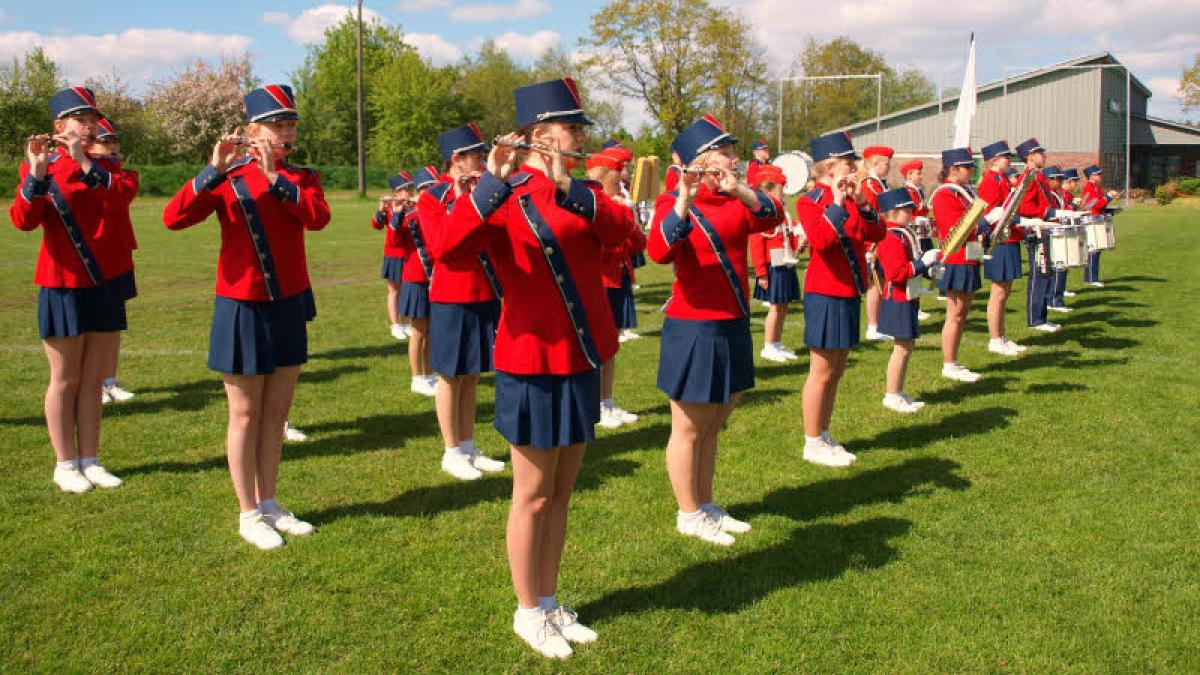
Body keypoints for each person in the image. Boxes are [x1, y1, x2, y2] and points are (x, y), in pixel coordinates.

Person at [436, 77, 631, 658]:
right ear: (540, 136)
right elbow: (448, 249)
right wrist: (492, 182)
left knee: (564, 489)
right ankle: (527, 610)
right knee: (533, 492)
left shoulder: (582, 191)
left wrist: (576, 190)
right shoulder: (503, 193)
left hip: (580, 355)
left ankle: (548, 600)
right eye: (573, 129)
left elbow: (625, 234)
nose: (581, 138)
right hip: (530, 358)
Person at [162, 84, 330, 549]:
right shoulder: (228, 177)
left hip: (289, 301)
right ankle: (248, 511)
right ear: (252, 130)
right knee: (244, 413)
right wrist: (212, 168)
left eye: (290, 124)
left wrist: (276, 175)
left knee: (276, 415)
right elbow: (173, 219)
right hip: (240, 303)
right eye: (277, 125)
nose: (286, 132)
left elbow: (317, 218)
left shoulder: (301, 177)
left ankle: (271, 502)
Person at [649, 115, 784, 544]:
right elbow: (658, 251)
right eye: (726, 153)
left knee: (715, 423)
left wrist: (738, 188)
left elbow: (772, 215)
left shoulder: (735, 200)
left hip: (732, 320)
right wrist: (684, 201)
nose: (734, 159)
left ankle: (705, 503)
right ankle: (687, 512)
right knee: (689, 426)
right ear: (702, 160)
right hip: (693, 326)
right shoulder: (670, 202)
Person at [9, 87, 130, 493]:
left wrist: (83, 160)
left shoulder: (108, 166)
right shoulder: (40, 167)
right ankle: (64, 463)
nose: (90, 125)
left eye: (93, 118)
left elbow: (121, 196)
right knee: (64, 378)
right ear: (60, 126)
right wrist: (39, 173)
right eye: (80, 119)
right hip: (62, 283)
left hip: (104, 281)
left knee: (95, 378)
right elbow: (24, 221)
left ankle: (90, 459)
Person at [795, 131, 886, 467]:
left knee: (838, 368)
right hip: (825, 292)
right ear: (830, 168)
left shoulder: (851, 200)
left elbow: (878, 233)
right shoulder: (810, 202)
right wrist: (835, 201)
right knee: (821, 369)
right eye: (849, 164)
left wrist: (861, 202)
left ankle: (824, 432)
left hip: (849, 290)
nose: (854, 169)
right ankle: (811, 440)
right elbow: (821, 242)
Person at [422, 123, 507, 480]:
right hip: (451, 296)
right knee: (450, 376)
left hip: (484, 291)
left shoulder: (484, 191)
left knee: (471, 376)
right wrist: (461, 202)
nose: (482, 163)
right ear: (456, 160)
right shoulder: (433, 198)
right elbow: (441, 247)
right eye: (476, 156)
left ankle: (469, 445)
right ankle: (451, 450)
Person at [588, 150, 644, 429]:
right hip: (600, 282)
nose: (623, 182)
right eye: (618, 176)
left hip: (618, 278)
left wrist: (628, 214)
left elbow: (638, 245)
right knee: (600, 347)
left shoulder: (617, 204)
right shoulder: (594, 206)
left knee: (611, 347)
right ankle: (597, 404)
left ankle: (607, 401)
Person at [875, 188, 941, 412]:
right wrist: (923, 263)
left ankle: (898, 391)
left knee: (907, 346)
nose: (911, 213)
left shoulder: (902, 232)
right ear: (892, 212)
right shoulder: (890, 236)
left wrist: (928, 269)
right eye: (906, 210)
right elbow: (896, 273)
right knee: (901, 348)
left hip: (908, 296)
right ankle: (892, 394)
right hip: (898, 298)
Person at [91, 117, 141, 405]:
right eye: (104, 141)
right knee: (94, 327)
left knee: (112, 324)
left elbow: (122, 193)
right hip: (94, 258)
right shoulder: (86, 172)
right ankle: (94, 383)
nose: (111, 147)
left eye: (113, 141)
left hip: (118, 255)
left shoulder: (119, 173)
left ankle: (109, 380)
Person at [932, 146, 989, 383]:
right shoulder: (946, 194)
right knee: (955, 314)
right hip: (956, 258)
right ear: (954, 169)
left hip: (968, 256)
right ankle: (949, 363)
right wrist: (984, 224)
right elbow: (957, 229)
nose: (971, 172)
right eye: (967, 167)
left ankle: (953, 360)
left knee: (962, 313)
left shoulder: (961, 192)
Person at [977, 140, 1029, 357]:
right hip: (999, 239)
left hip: (1009, 237)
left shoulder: (1002, 180)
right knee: (998, 292)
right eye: (1006, 157)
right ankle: (995, 338)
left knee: (1005, 290)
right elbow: (989, 213)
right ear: (994, 161)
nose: (1010, 161)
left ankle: (1001, 335)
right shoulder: (991, 181)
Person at [748, 163, 801, 362]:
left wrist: (799, 243)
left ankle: (776, 342)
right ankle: (769, 345)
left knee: (783, 305)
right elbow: (756, 243)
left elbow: (788, 236)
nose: (784, 194)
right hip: (772, 266)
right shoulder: (762, 212)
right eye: (780, 189)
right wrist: (761, 272)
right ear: (768, 190)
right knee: (775, 306)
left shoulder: (783, 211)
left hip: (785, 262)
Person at [398, 166, 440, 396]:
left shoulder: (434, 211)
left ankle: (429, 373)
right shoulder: (412, 215)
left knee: (431, 330)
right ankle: (417, 377)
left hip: (434, 276)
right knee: (418, 331)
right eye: (427, 189)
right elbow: (396, 232)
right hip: (416, 277)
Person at [1015, 138, 1063, 333]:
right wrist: (1047, 214)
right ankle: (1035, 319)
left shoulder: (1038, 176)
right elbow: (1023, 206)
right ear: (1031, 156)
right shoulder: (1027, 177)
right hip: (1035, 229)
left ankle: (1042, 316)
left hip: (1045, 227)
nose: (1044, 156)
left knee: (1045, 272)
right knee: (1038, 274)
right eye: (1040, 153)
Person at [373, 171, 414, 341]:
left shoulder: (412, 206)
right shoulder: (392, 208)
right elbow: (376, 225)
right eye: (405, 189)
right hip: (394, 254)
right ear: (396, 192)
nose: (409, 192)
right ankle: (395, 324)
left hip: (410, 254)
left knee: (406, 290)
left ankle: (405, 323)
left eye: (410, 188)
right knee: (394, 290)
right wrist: (381, 210)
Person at [859, 146, 893, 341]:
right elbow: (871, 215)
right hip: (873, 242)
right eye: (885, 164)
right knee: (875, 284)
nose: (888, 167)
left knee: (881, 282)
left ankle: (879, 323)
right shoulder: (871, 185)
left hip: (880, 237)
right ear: (875, 164)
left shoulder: (879, 184)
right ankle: (873, 326)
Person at [900, 159, 934, 321]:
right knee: (917, 266)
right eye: (918, 173)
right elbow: (915, 210)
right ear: (909, 175)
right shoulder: (908, 190)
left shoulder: (917, 190)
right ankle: (915, 304)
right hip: (916, 233)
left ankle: (917, 304)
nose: (921, 175)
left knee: (922, 266)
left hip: (922, 231)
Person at [1043, 165, 1074, 314]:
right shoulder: (1049, 195)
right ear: (1050, 180)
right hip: (1053, 232)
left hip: (1059, 231)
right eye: (1058, 179)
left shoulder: (1055, 194)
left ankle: (1056, 297)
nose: (1061, 181)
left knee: (1061, 267)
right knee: (1057, 267)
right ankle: (1054, 300)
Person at [1081, 164, 1117, 287]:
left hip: (1097, 219)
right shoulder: (1089, 188)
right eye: (1098, 174)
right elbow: (1096, 204)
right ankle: (1091, 278)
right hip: (1092, 220)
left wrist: (1108, 199)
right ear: (1092, 176)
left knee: (1097, 249)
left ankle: (1093, 277)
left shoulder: (1096, 187)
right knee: (1093, 248)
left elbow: (1101, 201)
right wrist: (1108, 197)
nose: (1100, 176)